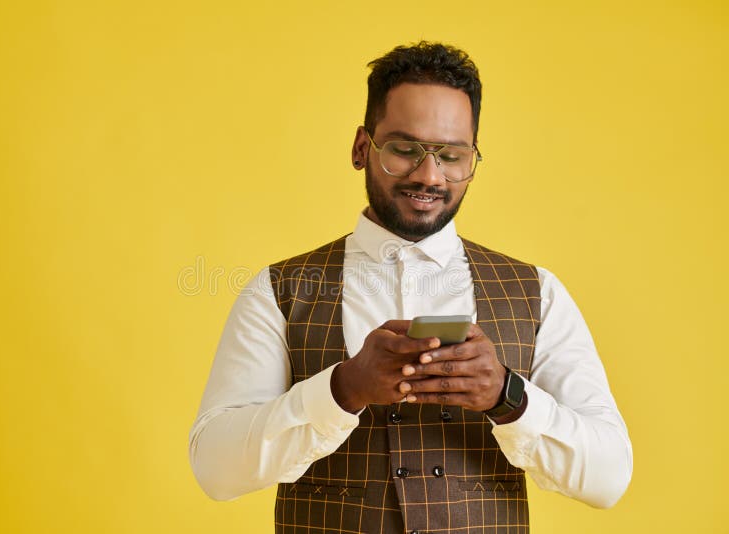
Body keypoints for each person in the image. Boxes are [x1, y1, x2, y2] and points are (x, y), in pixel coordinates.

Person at [189, 41, 632, 534]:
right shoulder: (279, 291)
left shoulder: (537, 293)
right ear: (362, 147)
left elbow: (609, 478)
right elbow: (215, 469)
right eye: (404, 149)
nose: (429, 175)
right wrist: (341, 389)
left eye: (451, 155)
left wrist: (507, 396)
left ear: (472, 160)